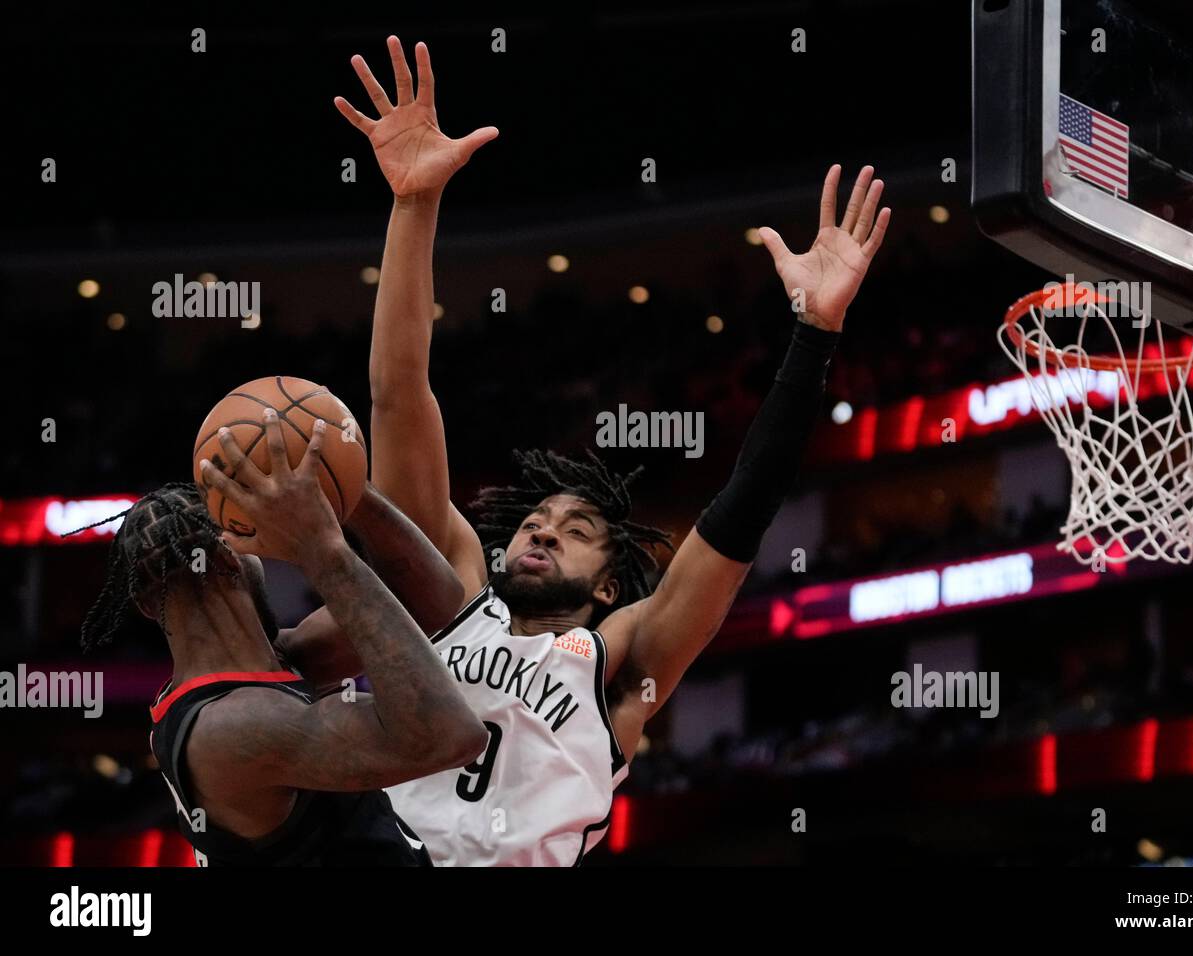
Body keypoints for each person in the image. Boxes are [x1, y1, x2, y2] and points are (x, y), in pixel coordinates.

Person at [296, 36, 891, 865]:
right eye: (538, 520)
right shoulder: (450, 595)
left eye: (572, 530)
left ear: (610, 583)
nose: (540, 531)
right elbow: (400, 395)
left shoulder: (621, 663)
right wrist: (413, 205)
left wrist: (814, 336)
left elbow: (741, 513)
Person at [79, 412, 486, 865]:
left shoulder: (281, 658)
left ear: (145, 606)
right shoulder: (230, 729)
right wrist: (318, 546)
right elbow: (451, 737)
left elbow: (435, 599)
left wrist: (343, 482)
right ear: (234, 558)